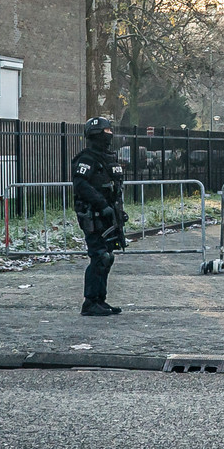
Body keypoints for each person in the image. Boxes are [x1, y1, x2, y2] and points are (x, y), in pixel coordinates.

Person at [72, 116, 127, 316]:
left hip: (108, 215)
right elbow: (81, 185)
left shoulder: (109, 158)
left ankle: (100, 300)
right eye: (106, 132)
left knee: (107, 257)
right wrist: (101, 204)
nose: (109, 135)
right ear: (96, 135)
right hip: (93, 214)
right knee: (99, 256)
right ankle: (90, 302)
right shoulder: (86, 159)